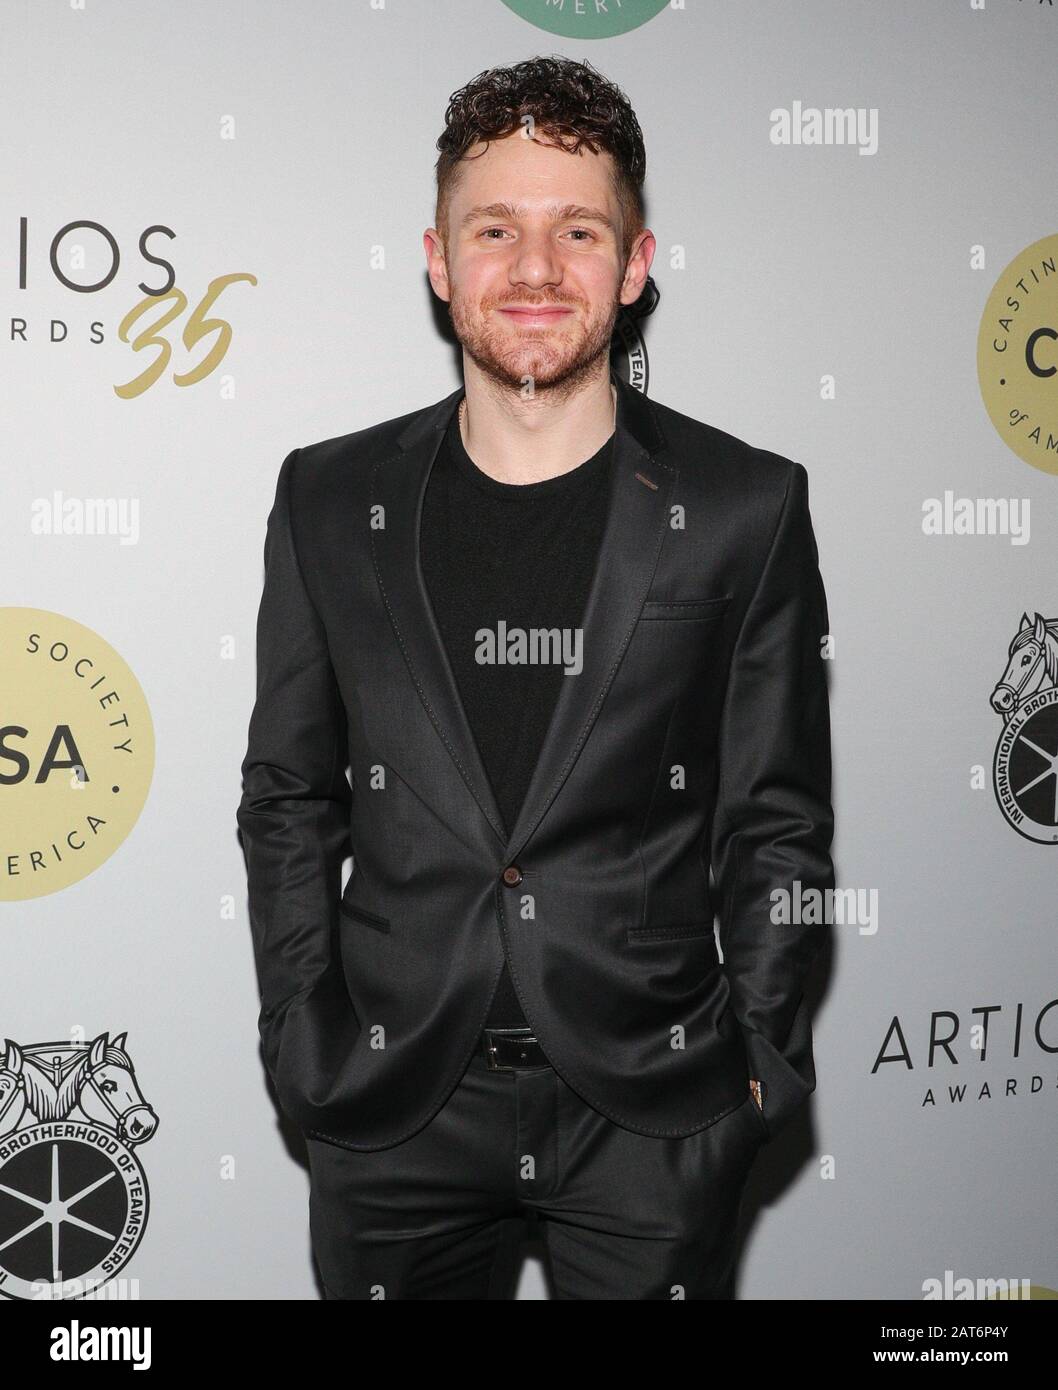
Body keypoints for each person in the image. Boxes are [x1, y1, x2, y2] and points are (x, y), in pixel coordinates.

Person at [236, 54, 834, 1300]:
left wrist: (757, 1056)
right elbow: (289, 792)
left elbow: (776, 818)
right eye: (493, 229)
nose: (533, 268)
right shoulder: (329, 497)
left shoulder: (743, 506)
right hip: (393, 1099)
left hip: (652, 1105)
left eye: (576, 230)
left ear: (632, 261)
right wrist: (303, 1031)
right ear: (438, 258)